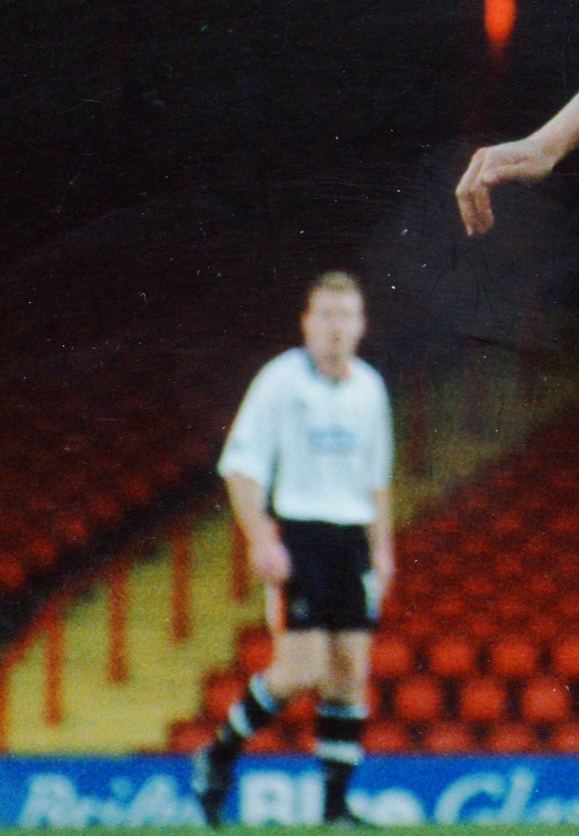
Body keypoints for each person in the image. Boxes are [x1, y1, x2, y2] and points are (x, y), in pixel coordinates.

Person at [195, 273, 396, 829]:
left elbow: (378, 480)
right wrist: (261, 538)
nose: (335, 327)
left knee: (349, 670)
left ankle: (335, 808)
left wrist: (382, 550)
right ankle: (218, 754)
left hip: (351, 537)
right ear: (307, 323)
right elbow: (241, 467)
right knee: (300, 669)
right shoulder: (280, 381)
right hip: (300, 534)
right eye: (325, 315)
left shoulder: (369, 387)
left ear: (361, 325)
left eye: (345, 315)